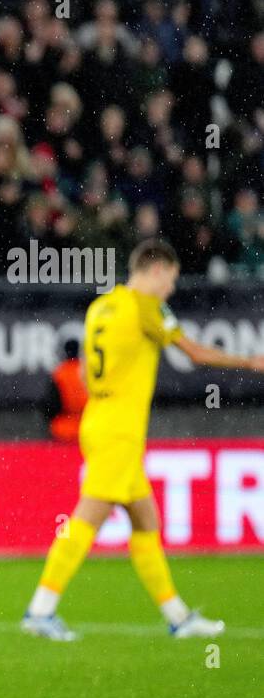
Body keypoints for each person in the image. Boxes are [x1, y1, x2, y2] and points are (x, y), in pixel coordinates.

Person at [22, 240, 264, 641]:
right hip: (119, 430)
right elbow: (194, 352)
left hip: (98, 421)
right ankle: (40, 610)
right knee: (88, 516)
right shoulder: (145, 306)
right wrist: (250, 361)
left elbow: (84, 374)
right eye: (170, 280)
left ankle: (178, 617)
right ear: (155, 270)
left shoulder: (101, 307)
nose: (170, 290)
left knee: (145, 520)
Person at [44, 337, 87, 443]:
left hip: (64, 428)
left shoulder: (60, 373)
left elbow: (51, 406)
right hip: (88, 424)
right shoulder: (86, 370)